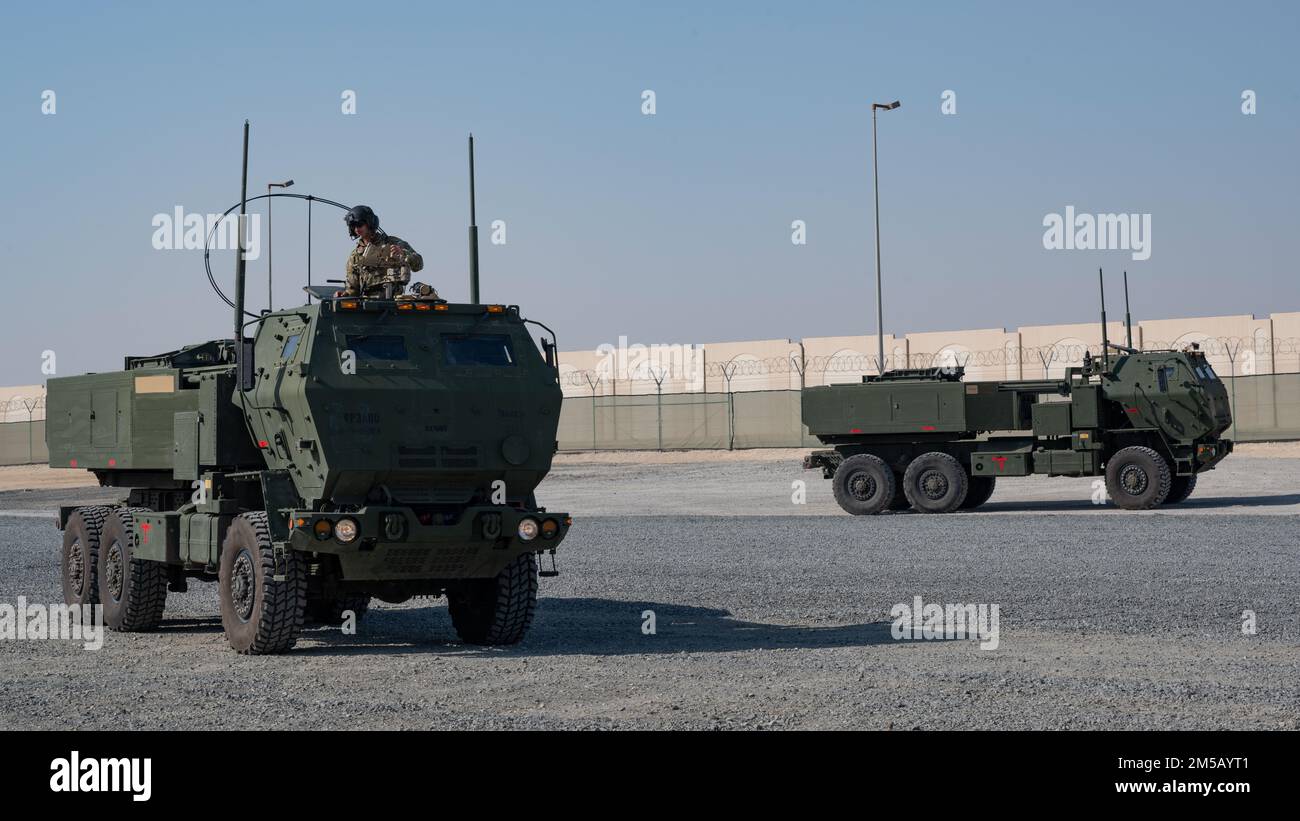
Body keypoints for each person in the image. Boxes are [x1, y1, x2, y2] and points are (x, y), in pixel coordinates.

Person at [335, 205, 424, 298]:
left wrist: (404, 253)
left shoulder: (393, 243)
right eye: (353, 226)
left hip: (395, 303)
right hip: (368, 306)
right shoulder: (355, 255)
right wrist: (345, 294)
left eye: (360, 224)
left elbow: (419, 265)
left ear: (369, 223)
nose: (357, 229)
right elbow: (353, 289)